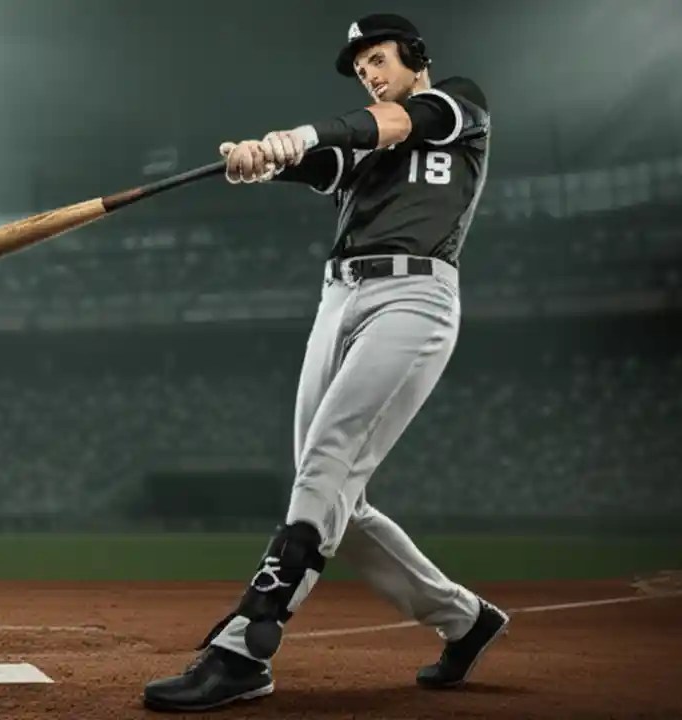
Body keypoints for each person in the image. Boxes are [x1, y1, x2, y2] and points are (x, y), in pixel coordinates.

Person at [142, 14, 508, 712]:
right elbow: (326, 159)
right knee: (339, 495)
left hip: (414, 296)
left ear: (416, 57)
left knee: (325, 467)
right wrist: (261, 157)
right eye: (360, 66)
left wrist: (303, 134)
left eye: (377, 57)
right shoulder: (365, 142)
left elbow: (382, 126)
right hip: (338, 298)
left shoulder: (457, 105)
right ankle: (465, 619)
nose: (369, 72)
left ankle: (247, 645)